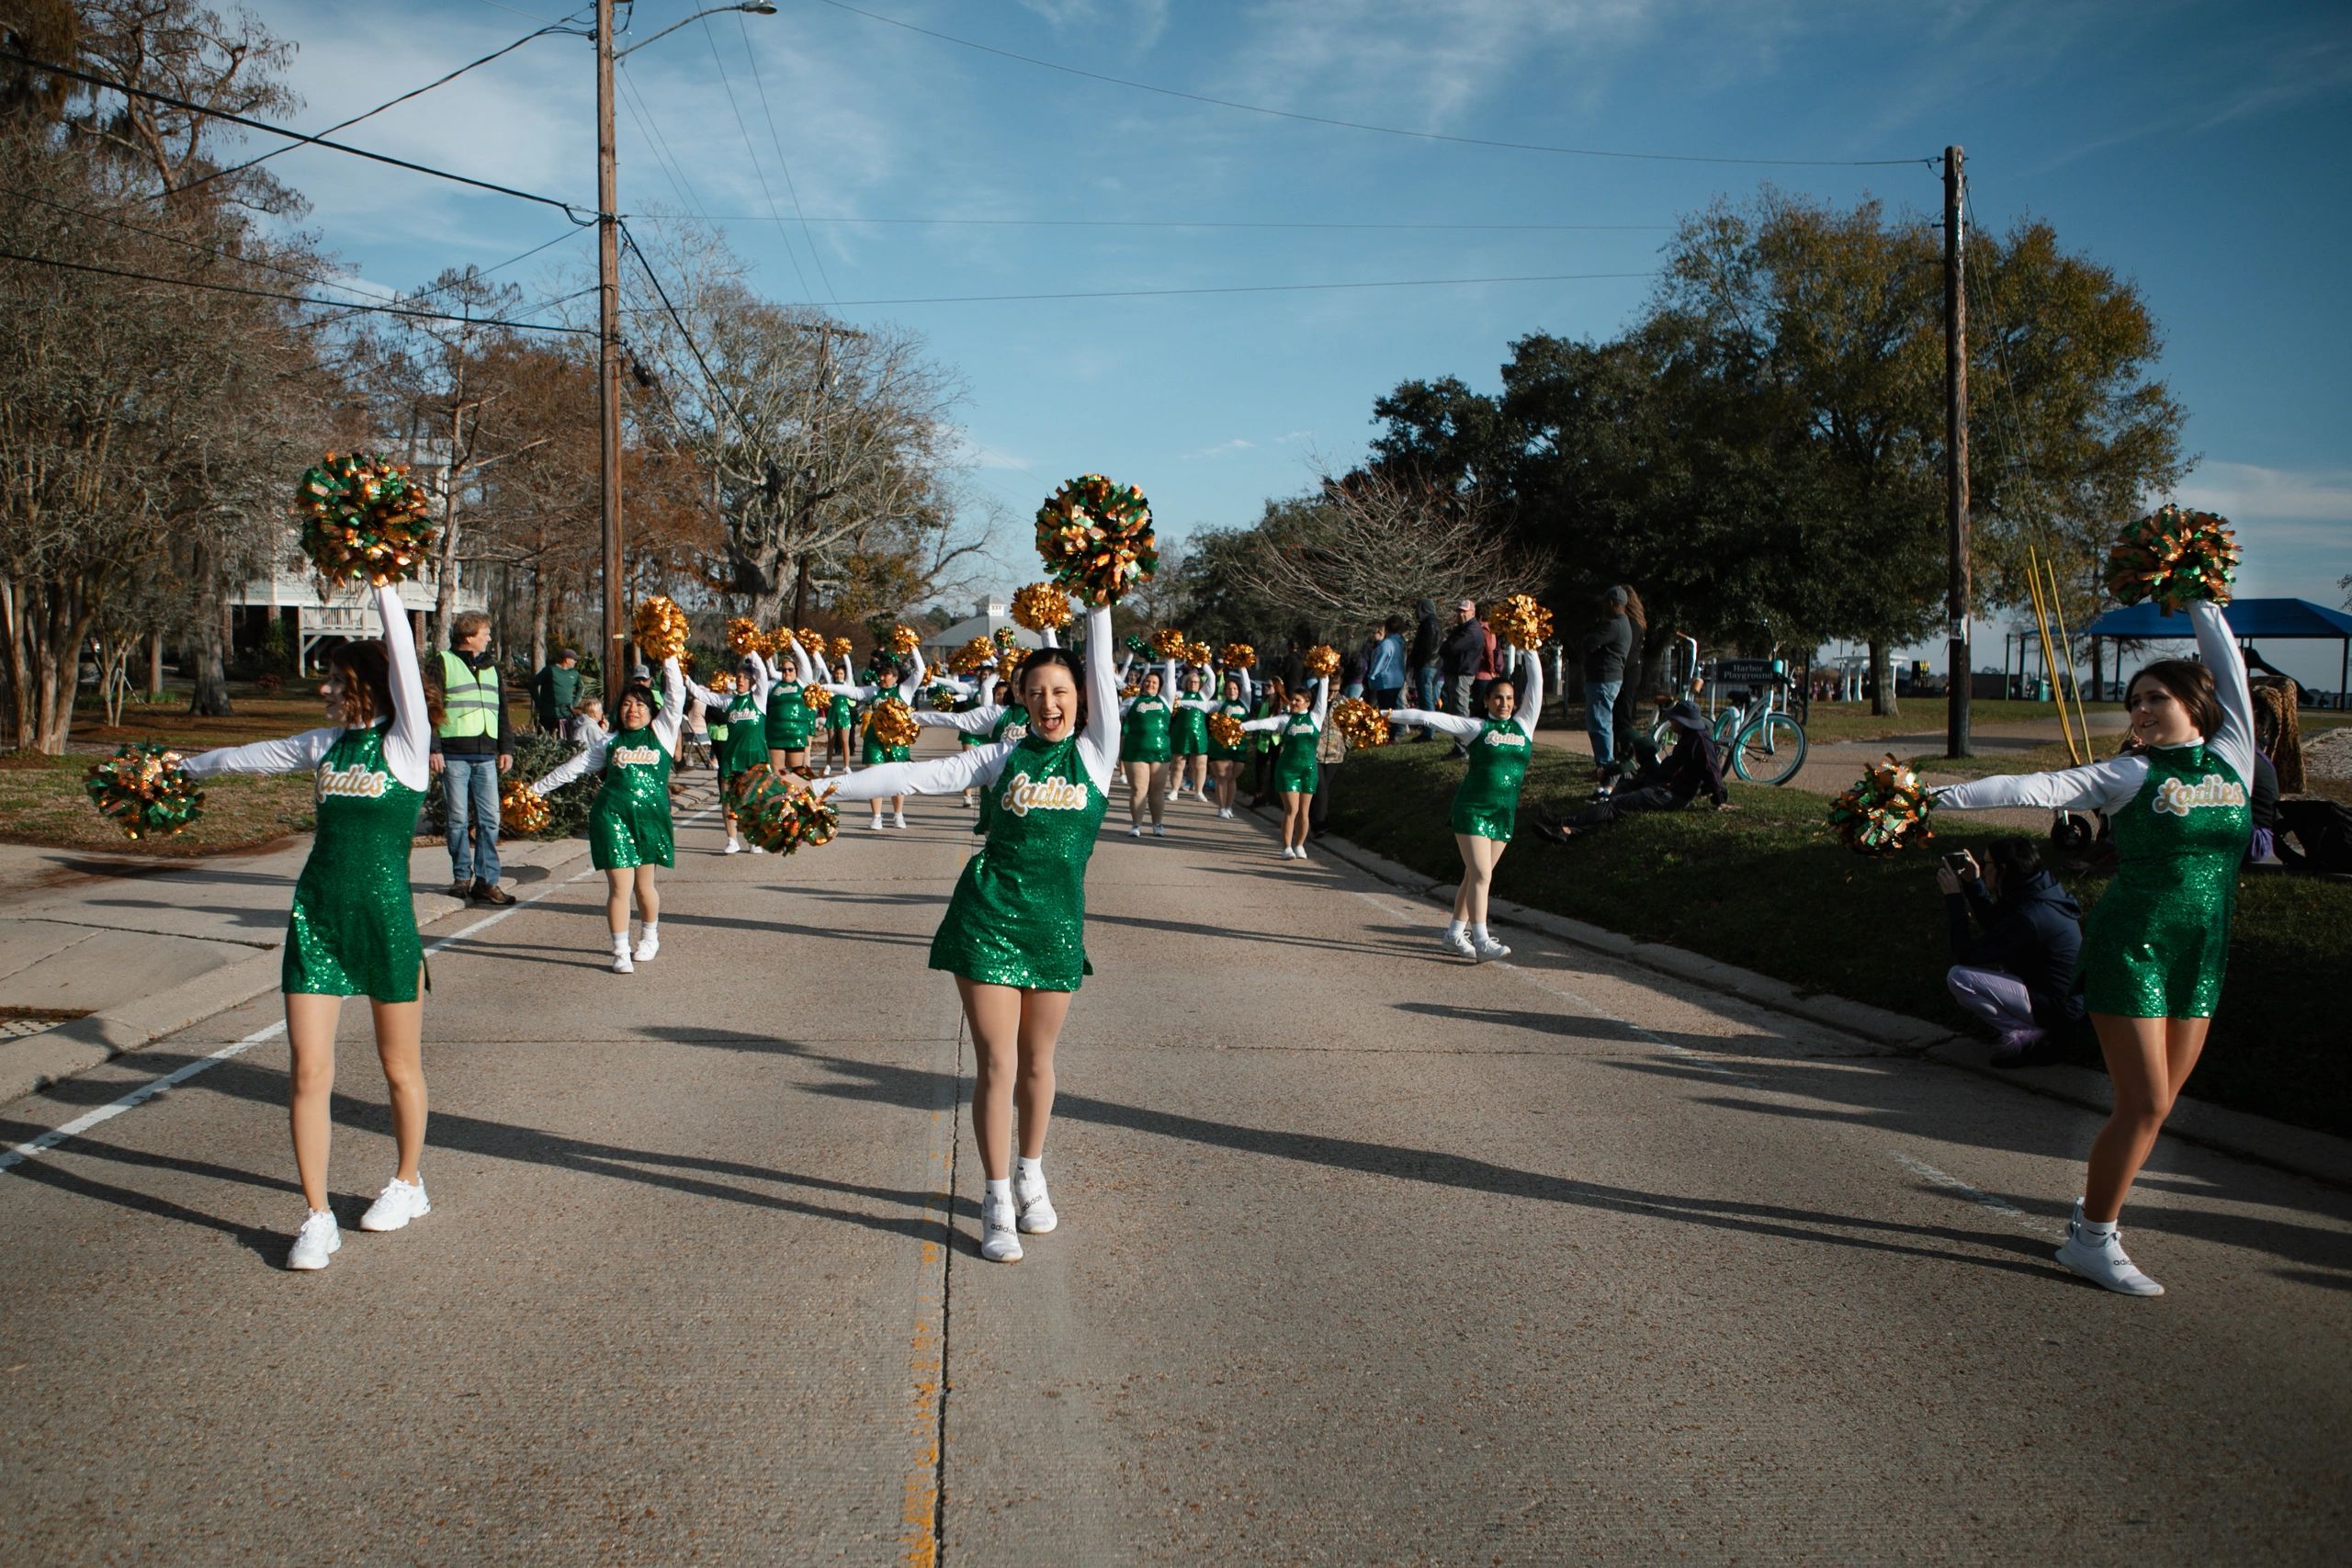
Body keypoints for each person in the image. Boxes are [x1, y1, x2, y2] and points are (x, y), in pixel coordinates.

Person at [1929, 599, 2252, 1296]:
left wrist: (2197, 593)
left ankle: (2091, 1221)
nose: (2139, 710)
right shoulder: (2129, 775)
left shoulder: (2235, 755)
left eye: (2155, 697)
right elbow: (2037, 785)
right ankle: (2093, 1237)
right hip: (2131, 948)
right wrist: (1938, 796)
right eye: (2133, 700)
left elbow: (2228, 664)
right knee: (2143, 1102)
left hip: (2202, 953)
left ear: (2197, 703)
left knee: (2156, 1106)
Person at [789, 603, 1121, 1264]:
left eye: (1061, 691)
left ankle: (1032, 1173)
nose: (1049, 703)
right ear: (1020, 701)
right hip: (990, 915)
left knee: (1038, 1061)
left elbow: (1103, 664)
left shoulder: (1096, 754)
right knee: (997, 1062)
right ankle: (994, 1196)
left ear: (1079, 698)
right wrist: (826, 785)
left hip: (1055, 925)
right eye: (1036, 693)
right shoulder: (1001, 756)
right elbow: (914, 774)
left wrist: (1099, 599)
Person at [177, 584, 442, 1271]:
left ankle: (409, 1180)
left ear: (367, 685)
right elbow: (252, 756)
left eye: (334, 679)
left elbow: (406, 663)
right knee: (308, 1072)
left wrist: (383, 580)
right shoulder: (325, 745)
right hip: (316, 918)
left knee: (397, 1067)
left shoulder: (407, 744)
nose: (324, 689)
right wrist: (181, 767)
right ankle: (317, 1215)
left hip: (384, 921)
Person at [530, 656, 689, 975]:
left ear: (652, 712)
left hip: (650, 819)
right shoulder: (609, 742)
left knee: (644, 887)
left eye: (640, 705)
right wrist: (534, 790)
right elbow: (572, 769)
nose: (633, 710)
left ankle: (649, 937)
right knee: (619, 887)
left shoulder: (663, 731)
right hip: (612, 817)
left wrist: (669, 652)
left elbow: (677, 694)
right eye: (627, 704)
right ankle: (619, 950)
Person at [1384, 654, 1544, 961]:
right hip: (1472, 809)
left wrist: (1531, 647)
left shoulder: (1525, 725)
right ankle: (1482, 938)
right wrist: (1383, 714)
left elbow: (1536, 684)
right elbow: (1427, 717)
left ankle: (1454, 934)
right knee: (1482, 875)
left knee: (1474, 877)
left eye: (1510, 698)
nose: (1505, 703)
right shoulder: (1475, 728)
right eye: (1498, 698)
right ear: (1487, 700)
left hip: (1503, 812)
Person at [1938, 839, 2085, 1064]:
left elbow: (1967, 953)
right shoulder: (2040, 891)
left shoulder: (2030, 915)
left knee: (1959, 978)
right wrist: (1973, 882)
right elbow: (1997, 925)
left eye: (1986, 864)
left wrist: (1954, 899)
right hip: (2062, 1000)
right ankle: (2040, 1034)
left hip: (2058, 1009)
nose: (1983, 868)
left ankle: (2034, 1039)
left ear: (2003, 869)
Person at [1533, 700, 1730, 838]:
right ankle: (1569, 829)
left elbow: (1712, 769)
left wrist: (1719, 799)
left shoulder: (1700, 741)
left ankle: (1563, 824)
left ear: (1682, 721)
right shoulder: (1689, 737)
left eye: (1674, 719)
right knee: (1622, 790)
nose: (1671, 723)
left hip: (1670, 794)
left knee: (1616, 804)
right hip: (1660, 784)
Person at [428, 610, 515, 906]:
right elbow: (430, 706)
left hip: (486, 754)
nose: (489, 638)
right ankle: (461, 878)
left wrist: (507, 748)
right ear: (469, 637)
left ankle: (487, 881)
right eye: (485, 633)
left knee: (490, 820)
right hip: (453, 754)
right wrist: (433, 747)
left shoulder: (492, 668)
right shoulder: (443, 662)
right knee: (456, 820)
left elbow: (502, 711)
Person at [823, 648, 926, 829]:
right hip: (874, 740)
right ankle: (876, 816)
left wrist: (912, 647)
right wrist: (825, 687)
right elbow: (852, 692)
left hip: (897, 742)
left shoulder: (905, 690)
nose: (882, 678)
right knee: (874, 778)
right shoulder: (873, 691)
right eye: (881, 675)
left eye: (886, 675)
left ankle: (898, 814)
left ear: (895, 677)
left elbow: (921, 671)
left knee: (898, 779)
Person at [684, 654, 770, 855]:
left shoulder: (758, 699)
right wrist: (686, 680)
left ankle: (754, 839)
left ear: (752, 682)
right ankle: (732, 840)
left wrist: (750, 651)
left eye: (745, 678)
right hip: (732, 757)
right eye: (738, 677)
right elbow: (703, 695)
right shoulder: (728, 701)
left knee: (753, 800)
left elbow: (763, 674)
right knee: (728, 799)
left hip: (755, 758)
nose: (740, 681)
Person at [1240, 674, 1329, 860]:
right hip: (1288, 770)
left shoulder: (1316, 717)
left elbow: (1322, 697)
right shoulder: (1284, 720)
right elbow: (1261, 723)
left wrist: (1325, 677)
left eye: (1298, 700)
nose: (1294, 703)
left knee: (1304, 812)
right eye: (1293, 699)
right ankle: (1287, 847)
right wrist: (1241, 727)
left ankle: (1299, 845)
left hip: (1309, 770)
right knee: (1291, 810)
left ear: (1307, 702)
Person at [1117, 658, 1179, 838]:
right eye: (1148, 681)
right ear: (1143, 683)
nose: (1151, 684)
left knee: (1157, 791)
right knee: (1139, 789)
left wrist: (1170, 658)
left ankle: (1157, 824)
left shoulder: (1165, 700)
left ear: (1160, 686)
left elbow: (1171, 680)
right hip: (1136, 751)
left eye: (1155, 683)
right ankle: (1136, 825)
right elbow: (1112, 717)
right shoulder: (1130, 702)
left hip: (1160, 752)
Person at [1581, 587, 1633, 772]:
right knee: (1600, 721)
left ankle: (1605, 766)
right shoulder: (1624, 624)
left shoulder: (1614, 625)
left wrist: (1590, 639)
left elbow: (1589, 643)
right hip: (1608, 678)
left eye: (1605, 602)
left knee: (1600, 723)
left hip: (1603, 679)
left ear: (1612, 603)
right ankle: (1604, 764)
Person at [1198, 669, 1255, 819]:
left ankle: (1229, 806)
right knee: (1223, 776)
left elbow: (1248, 687)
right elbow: (1201, 705)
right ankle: (1221, 807)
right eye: (1229, 688)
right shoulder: (1219, 704)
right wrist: (1179, 701)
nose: (1232, 691)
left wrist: (1243, 668)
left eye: (1235, 688)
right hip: (1221, 746)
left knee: (1232, 777)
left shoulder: (1245, 704)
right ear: (1225, 691)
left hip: (1239, 746)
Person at [764, 636, 820, 780]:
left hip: (795, 734)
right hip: (775, 734)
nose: (787, 672)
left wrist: (791, 641)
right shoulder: (774, 685)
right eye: (784, 670)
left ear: (797, 671)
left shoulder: (802, 683)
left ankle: (795, 801)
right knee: (777, 771)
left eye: (790, 669)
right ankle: (780, 800)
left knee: (795, 773)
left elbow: (804, 661)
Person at [1438, 599, 1487, 759]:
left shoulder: (1471, 631)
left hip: (1462, 674)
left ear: (1472, 613)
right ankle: (1460, 747)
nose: (1460, 614)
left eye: (1464, 611)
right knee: (1455, 710)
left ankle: (1463, 749)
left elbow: (1450, 648)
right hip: (1457, 673)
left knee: (1460, 710)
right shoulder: (1463, 629)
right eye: (1459, 611)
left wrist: (1446, 645)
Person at [1611, 588, 1647, 763]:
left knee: (1622, 716)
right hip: (1632, 671)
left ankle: (1627, 754)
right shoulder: (1637, 623)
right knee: (1623, 713)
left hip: (1627, 672)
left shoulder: (1630, 625)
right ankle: (1622, 752)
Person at [1407, 598, 1442, 741]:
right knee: (1427, 699)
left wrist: (1418, 661)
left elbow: (1426, 647)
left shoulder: (1430, 624)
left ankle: (1429, 731)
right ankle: (1428, 729)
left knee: (1426, 699)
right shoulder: (1432, 623)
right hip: (1431, 665)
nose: (1416, 613)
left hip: (1427, 665)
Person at [530, 648, 582, 735]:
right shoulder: (549, 671)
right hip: (548, 715)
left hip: (566, 716)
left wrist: (574, 703)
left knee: (566, 743)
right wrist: (538, 703)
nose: (575, 662)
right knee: (546, 743)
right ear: (566, 660)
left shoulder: (574, 674)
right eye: (574, 659)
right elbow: (533, 684)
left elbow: (581, 687)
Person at [1368, 615, 1408, 714]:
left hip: (1386, 682)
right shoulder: (1401, 643)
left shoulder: (1387, 643)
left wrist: (1371, 676)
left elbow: (1380, 662)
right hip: (1398, 681)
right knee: (1395, 712)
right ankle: (1397, 729)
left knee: (1385, 712)